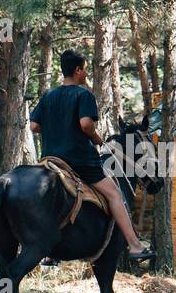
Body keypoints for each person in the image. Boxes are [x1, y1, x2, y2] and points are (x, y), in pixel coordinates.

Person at [29, 49, 155, 261]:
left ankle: (49, 254)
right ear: (77, 70)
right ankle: (134, 245)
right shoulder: (83, 94)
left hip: (50, 160)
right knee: (115, 194)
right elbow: (86, 124)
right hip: (79, 160)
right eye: (85, 69)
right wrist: (97, 139)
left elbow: (34, 126)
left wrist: (55, 130)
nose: (86, 74)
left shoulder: (48, 96)